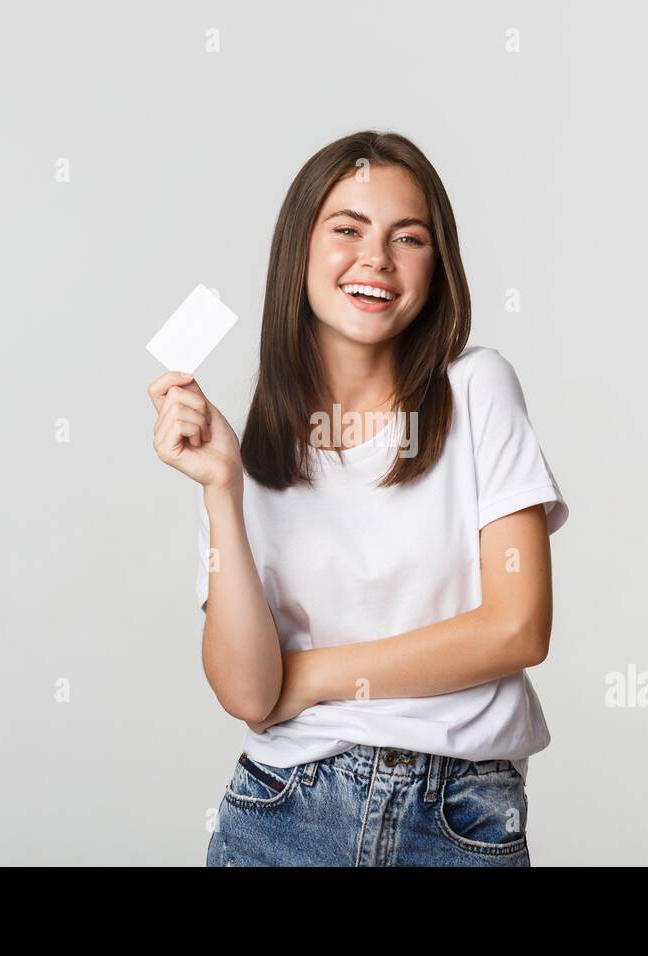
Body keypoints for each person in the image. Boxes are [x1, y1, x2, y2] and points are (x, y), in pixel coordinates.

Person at [149, 130, 568, 866]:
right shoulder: (255, 439)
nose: (376, 257)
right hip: (283, 812)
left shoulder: (477, 389)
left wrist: (308, 676)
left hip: (457, 817)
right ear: (301, 249)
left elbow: (517, 628)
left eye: (409, 238)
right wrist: (222, 487)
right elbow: (250, 694)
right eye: (348, 229)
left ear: (437, 269)